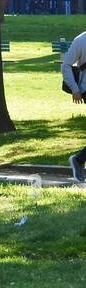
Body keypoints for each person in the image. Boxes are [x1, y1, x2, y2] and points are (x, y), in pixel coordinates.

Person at [61, 28, 86, 183]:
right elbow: (66, 65)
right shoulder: (81, 40)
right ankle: (78, 160)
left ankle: (79, 159)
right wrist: (75, 89)